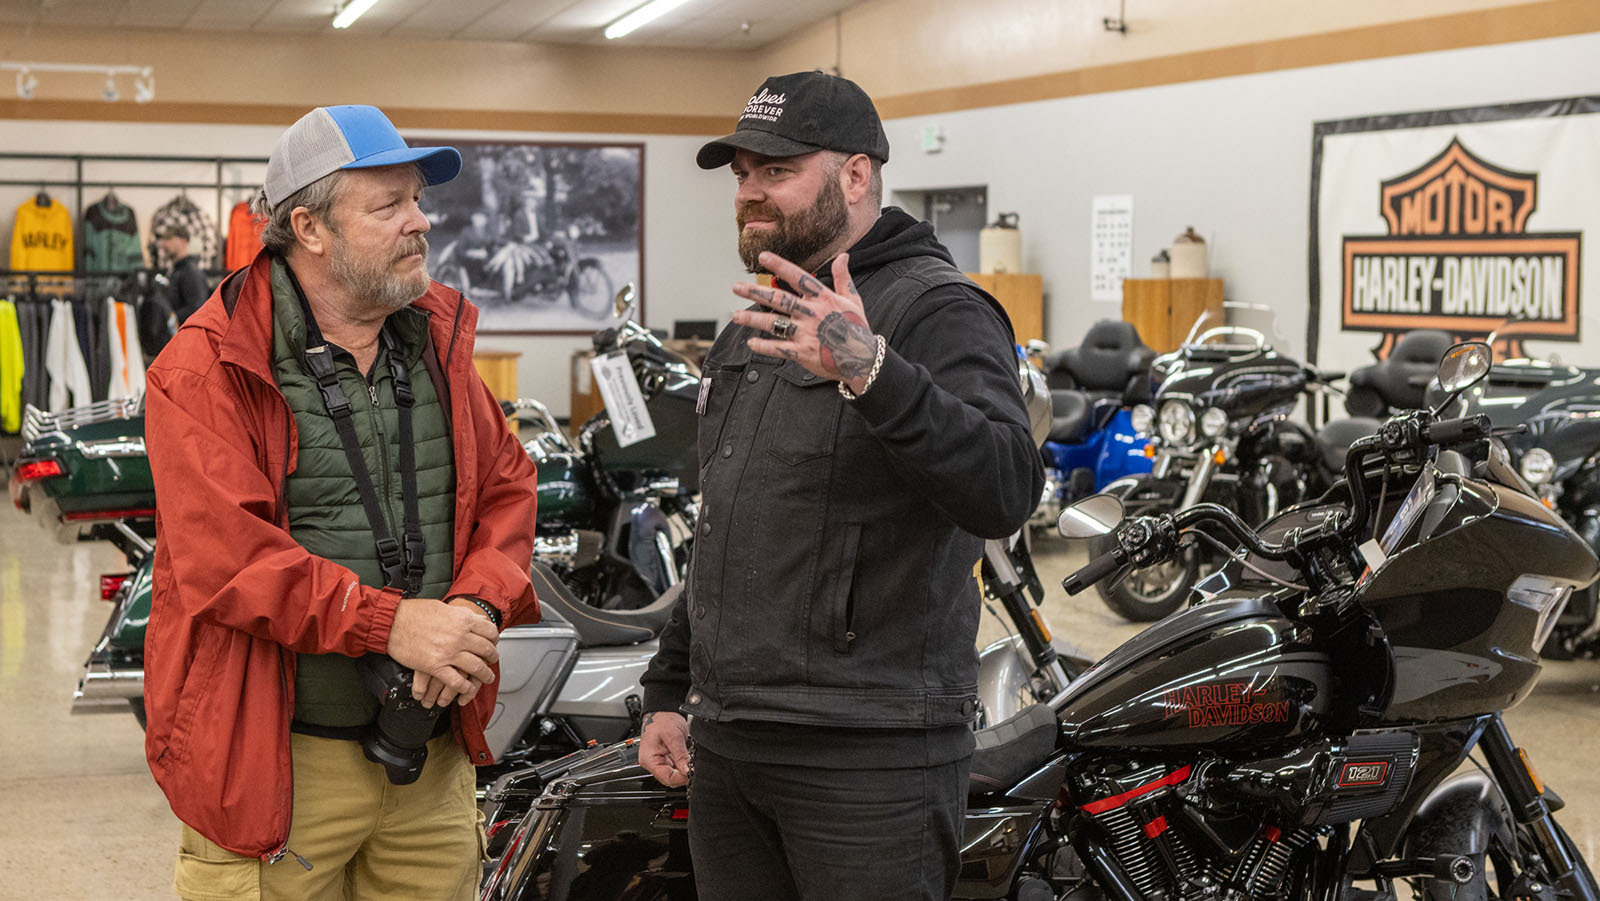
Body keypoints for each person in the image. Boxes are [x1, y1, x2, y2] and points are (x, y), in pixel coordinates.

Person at [638, 71, 1045, 899]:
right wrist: (668, 689)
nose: (750, 193)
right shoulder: (756, 322)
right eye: (742, 173)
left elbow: (1006, 484)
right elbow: (731, 525)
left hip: (868, 759)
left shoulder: (940, 309)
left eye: (776, 172)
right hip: (732, 746)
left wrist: (872, 369)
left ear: (856, 176)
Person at [141, 104, 540, 900]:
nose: (419, 223)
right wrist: (395, 623)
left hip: (429, 758)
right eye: (389, 206)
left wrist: (473, 612)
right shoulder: (205, 368)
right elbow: (230, 558)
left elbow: (507, 486)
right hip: (277, 764)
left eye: (418, 201)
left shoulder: (438, 340)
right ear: (309, 228)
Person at [154, 223, 210, 324]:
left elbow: (197, 309)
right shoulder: (175, 271)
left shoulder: (191, 272)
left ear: (184, 240)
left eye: (169, 238)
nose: (164, 244)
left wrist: (173, 319)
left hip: (185, 336)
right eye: (163, 239)